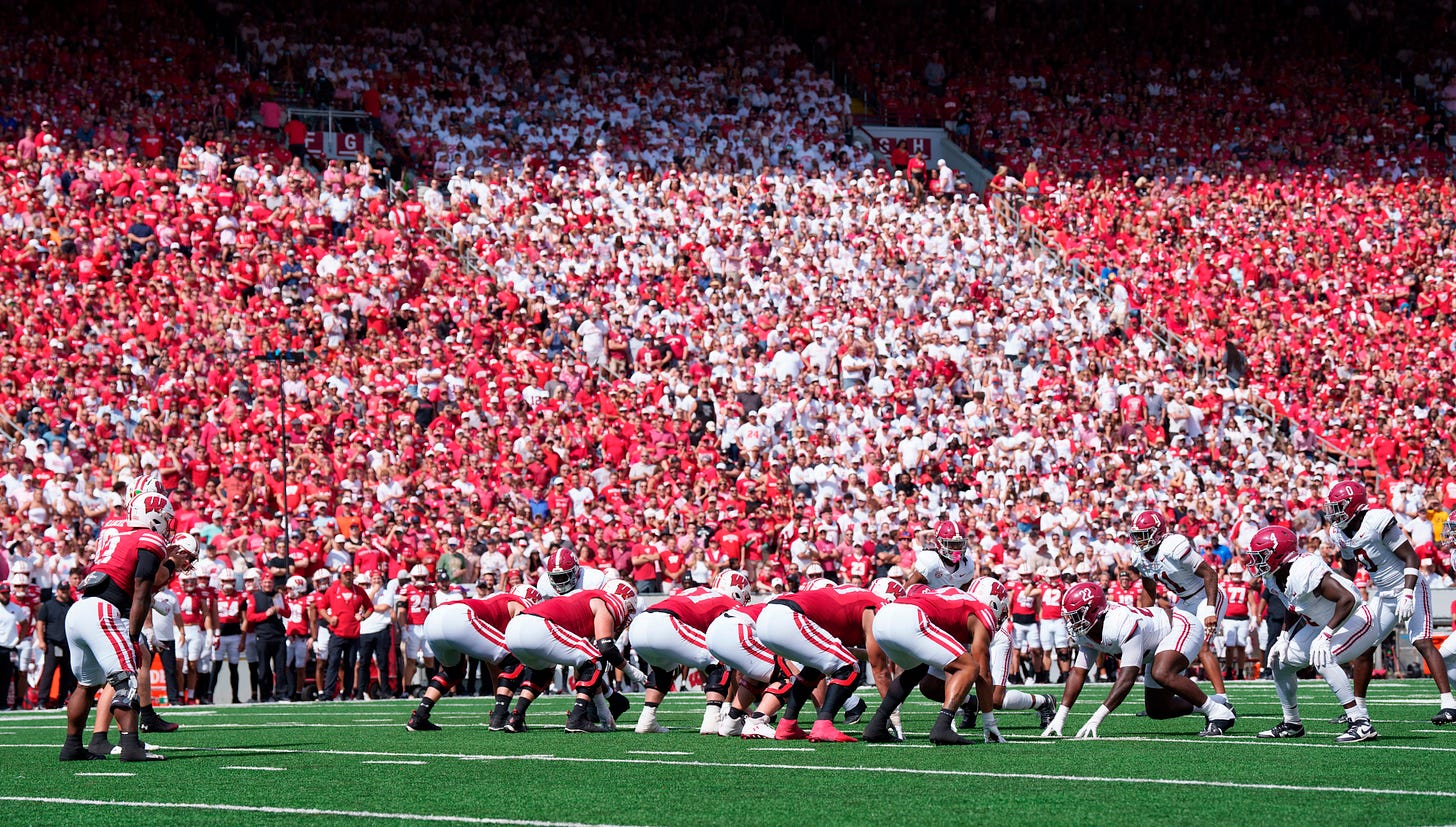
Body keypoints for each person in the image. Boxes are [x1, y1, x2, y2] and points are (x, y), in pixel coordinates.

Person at [60, 492, 185, 762]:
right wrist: (133, 635)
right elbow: (142, 592)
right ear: (152, 516)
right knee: (125, 680)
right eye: (164, 519)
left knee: (86, 684)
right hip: (103, 611)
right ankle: (131, 746)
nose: (167, 525)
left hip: (79, 609)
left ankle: (71, 746)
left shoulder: (112, 528)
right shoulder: (149, 538)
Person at [1323, 481, 1455, 725]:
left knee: (1422, 641)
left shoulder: (1376, 520)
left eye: (1339, 506)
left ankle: (1449, 704)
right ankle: (1358, 709)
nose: (1334, 513)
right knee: (1364, 646)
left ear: (1353, 506)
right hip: (1382, 593)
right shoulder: (1339, 532)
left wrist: (1407, 592)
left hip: (1410, 585)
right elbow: (1349, 570)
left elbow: (1411, 558)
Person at [1039, 582, 1237, 740]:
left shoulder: (1119, 623)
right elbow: (1078, 672)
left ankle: (1219, 713)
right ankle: (1216, 702)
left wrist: (1096, 718)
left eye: (1076, 616)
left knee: (1161, 672)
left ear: (1094, 612)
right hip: (1156, 645)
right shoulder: (1086, 631)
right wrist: (1060, 718)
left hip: (1180, 625)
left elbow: (1127, 677)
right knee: (1158, 709)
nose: (1071, 622)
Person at [1243, 526, 1382, 743]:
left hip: (1356, 618)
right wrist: (1284, 637)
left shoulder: (1303, 569)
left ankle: (1360, 722)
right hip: (1321, 624)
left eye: (1262, 556)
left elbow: (1349, 599)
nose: (1257, 562)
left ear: (1280, 554)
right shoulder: (1275, 575)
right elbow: (1293, 607)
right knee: (1280, 661)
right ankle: (1292, 723)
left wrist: (1326, 635)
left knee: (1323, 657)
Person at [862, 582, 1002, 745]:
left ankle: (876, 725)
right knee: (969, 667)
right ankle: (942, 727)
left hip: (883, 617)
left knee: (917, 669)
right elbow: (982, 673)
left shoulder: (952, 597)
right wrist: (989, 722)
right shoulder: (982, 612)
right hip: (910, 617)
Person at [755, 581, 894, 742]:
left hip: (769, 616)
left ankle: (787, 724)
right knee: (849, 667)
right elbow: (880, 670)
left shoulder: (853, 598)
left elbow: (850, 652)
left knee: (816, 667)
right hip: (788, 616)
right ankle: (823, 724)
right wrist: (893, 712)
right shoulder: (875, 606)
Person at [503, 579, 644, 733]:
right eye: (629, 608)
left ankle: (515, 717)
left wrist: (603, 707)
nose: (627, 615)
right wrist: (634, 673)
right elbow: (606, 649)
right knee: (595, 658)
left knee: (543, 670)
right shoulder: (608, 601)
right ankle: (577, 718)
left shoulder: (584, 598)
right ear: (623, 598)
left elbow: (583, 666)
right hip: (538, 626)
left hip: (515, 629)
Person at [405, 584, 541, 732]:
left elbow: (494, 663)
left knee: (452, 672)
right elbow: (517, 643)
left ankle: (419, 717)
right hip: (460, 617)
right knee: (515, 657)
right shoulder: (523, 604)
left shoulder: (498, 599)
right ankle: (500, 716)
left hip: (434, 618)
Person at [1129, 509, 1230, 706]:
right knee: (1171, 645)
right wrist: (1145, 617)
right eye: (1137, 535)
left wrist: (1210, 609)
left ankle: (1223, 699)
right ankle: (1163, 700)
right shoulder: (1140, 557)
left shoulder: (1173, 546)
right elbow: (1149, 590)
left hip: (1206, 595)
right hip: (1184, 601)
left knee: (1201, 645)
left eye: (1144, 534)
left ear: (1157, 532)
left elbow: (1210, 574)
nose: (1139, 540)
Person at [628, 570, 746, 735]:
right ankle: (712, 719)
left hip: (639, 625)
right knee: (719, 658)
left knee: (664, 669)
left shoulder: (698, 591)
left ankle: (646, 720)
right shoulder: (728, 602)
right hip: (664, 623)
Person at [321, 564, 370, 701]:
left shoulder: (359, 591)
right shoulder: (333, 590)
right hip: (337, 633)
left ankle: (347, 693)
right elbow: (322, 608)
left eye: (350, 574)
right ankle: (328, 693)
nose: (348, 577)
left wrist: (363, 616)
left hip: (353, 634)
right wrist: (329, 619)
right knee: (333, 663)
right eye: (345, 574)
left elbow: (369, 607)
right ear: (341, 575)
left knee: (350, 664)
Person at [245, 571, 290, 702]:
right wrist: (266, 614)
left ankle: (282, 693)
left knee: (280, 667)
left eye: (270, 582)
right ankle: (266, 694)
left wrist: (278, 610)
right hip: (263, 637)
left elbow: (288, 613)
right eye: (265, 582)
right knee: (264, 668)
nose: (267, 584)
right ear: (261, 583)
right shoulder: (255, 597)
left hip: (279, 636)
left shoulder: (278, 596)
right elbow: (250, 617)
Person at [175, 568, 215, 705]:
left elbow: (206, 614)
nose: (190, 583)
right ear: (181, 581)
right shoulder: (175, 593)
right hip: (179, 630)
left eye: (192, 580)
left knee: (193, 664)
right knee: (179, 664)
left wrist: (210, 632)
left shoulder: (199, 593)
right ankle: (180, 694)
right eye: (187, 581)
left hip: (194, 629)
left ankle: (191, 695)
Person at [35, 581, 76, 708]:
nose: (64, 593)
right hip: (53, 643)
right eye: (62, 590)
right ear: (57, 591)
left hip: (68, 644)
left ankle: (61, 700)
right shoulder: (48, 605)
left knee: (67, 674)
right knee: (49, 672)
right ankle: (42, 701)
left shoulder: (72, 604)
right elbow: (40, 623)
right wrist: (41, 641)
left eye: (66, 590)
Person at [396, 564, 436, 694]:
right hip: (412, 627)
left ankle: (432, 689)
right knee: (411, 660)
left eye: (422, 577)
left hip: (427, 626)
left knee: (430, 659)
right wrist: (403, 629)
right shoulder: (406, 589)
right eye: (417, 577)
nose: (420, 579)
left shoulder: (430, 589)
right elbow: (401, 611)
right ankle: (405, 690)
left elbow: (434, 609)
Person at [904, 519, 977, 589]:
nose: (956, 548)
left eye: (959, 544)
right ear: (940, 543)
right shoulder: (931, 564)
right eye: (952, 544)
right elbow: (907, 590)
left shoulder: (967, 566)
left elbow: (966, 594)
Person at [210, 570, 246, 704]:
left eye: (230, 581)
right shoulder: (215, 596)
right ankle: (209, 695)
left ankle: (235, 697)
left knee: (234, 667)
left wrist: (243, 639)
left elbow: (244, 619)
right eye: (225, 581)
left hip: (235, 635)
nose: (228, 584)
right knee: (216, 666)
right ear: (220, 582)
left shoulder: (240, 596)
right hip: (220, 635)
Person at [536, 547, 606, 598]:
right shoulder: (544, 584)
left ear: (576, 571)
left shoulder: (592, 579)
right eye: (555, 577)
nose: (560, 582)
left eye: (563, 576)